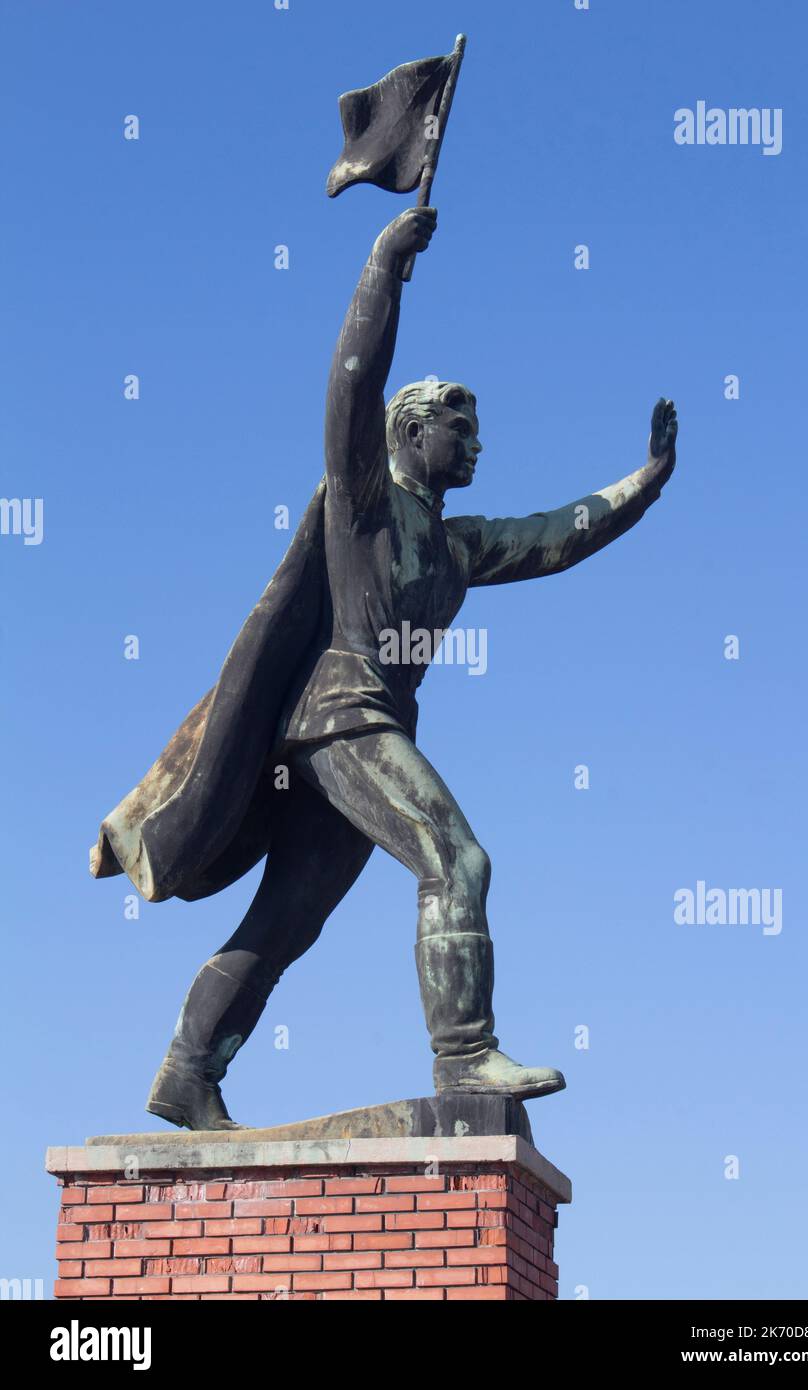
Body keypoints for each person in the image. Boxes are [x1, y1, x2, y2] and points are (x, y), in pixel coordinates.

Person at [142, 206, 679, 1129]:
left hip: (373, 733)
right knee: (457, 860)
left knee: (288, 924)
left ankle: (188, 1072)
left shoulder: (459, 542)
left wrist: (645, 481)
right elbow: (352, 386)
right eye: (461, 428)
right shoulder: (361, 502)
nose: (477, 444)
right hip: (339, 720)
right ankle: (465, 1055)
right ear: (413, 432)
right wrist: (385, 264)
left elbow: (557, 536)